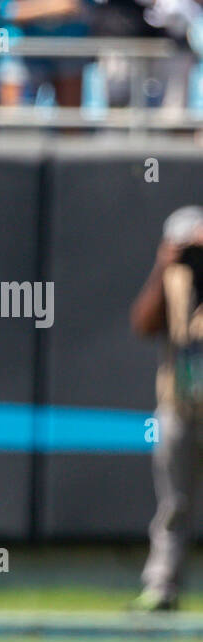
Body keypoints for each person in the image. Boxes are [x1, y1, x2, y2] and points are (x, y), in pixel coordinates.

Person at [131, 205, 203, 612]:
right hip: (180, 406)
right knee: (174, 504)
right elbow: (143, 324)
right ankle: (162, 587)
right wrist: (165, 265)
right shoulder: (172, 279)